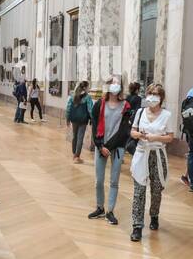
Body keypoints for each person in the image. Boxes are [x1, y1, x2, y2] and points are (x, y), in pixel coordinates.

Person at [129, 83, 175, 241]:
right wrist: (138, 135)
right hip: (142, 153)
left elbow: (170, 137)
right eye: (150, 93)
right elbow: (132, 131)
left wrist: (155, 137)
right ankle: (137, 226)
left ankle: (154, 215)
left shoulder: (167, 115)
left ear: (161, 97)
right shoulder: (140, 112)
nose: (152, 96)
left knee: (156, 189)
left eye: (155, 94)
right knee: (139, 190)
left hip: (157, 154)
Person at [87, 74, 133, 225]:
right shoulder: (99, 104)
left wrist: (109, 147)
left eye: (117, 82)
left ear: (121, 86)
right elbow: (94, 126)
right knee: (99, 180)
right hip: (102, 146)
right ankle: (100, 207)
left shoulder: (125, 106)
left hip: (117, 147)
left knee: (114, 181)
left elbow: (124, 130)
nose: (115, 84)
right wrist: (100, 146)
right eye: (112, 82)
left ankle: (110, 211)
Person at [66, 80, 93, 164]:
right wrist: (92, 118)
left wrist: (67, 119)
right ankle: (77, 157)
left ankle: (74, 154)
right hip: (83, 120)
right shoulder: (87, 97)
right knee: (80, 137)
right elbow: (90, 110)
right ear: (85, 88)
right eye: (88, 87)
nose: (89, 88)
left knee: (75, 136)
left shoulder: (72, 96)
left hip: (74, 119)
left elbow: (68, 108)